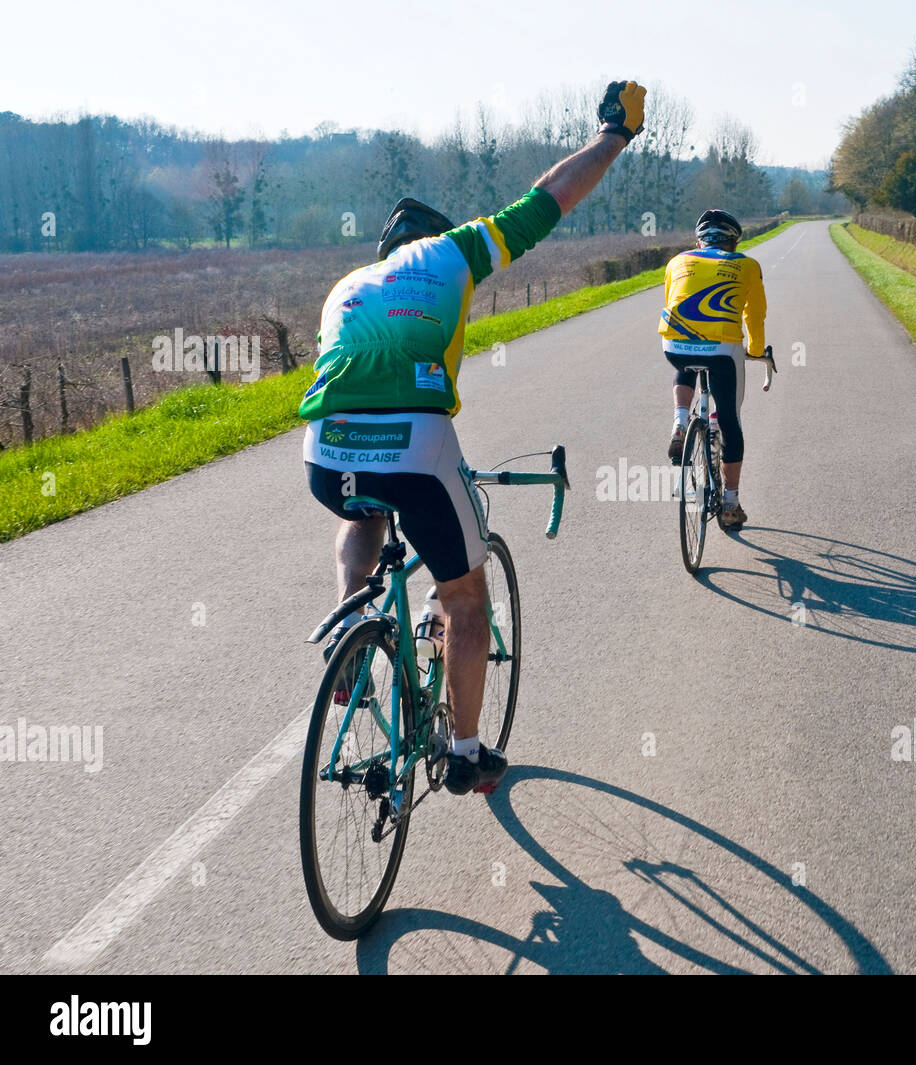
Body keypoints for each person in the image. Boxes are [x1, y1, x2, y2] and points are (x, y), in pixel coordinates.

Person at [301, 81, 647, 795]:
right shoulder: (452, 254)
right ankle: (464, 753)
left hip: (326, 446)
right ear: (431, 239)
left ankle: (350, 634)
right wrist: (614, 136)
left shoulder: (347, 285)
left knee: (361, 514)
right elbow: (548, 200)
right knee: (463, 595)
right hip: (418, 449)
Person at [659, 209, 767, 529]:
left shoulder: (676, 262)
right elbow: (755, 316)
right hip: (722, 350)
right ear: (734, 242)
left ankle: (680, 422)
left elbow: (672, 301)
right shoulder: (747, 264)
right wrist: (757, 351)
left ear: (698, 241)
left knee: (688, 349)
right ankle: (730, 504)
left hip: (674, 347)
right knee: (730, 420)